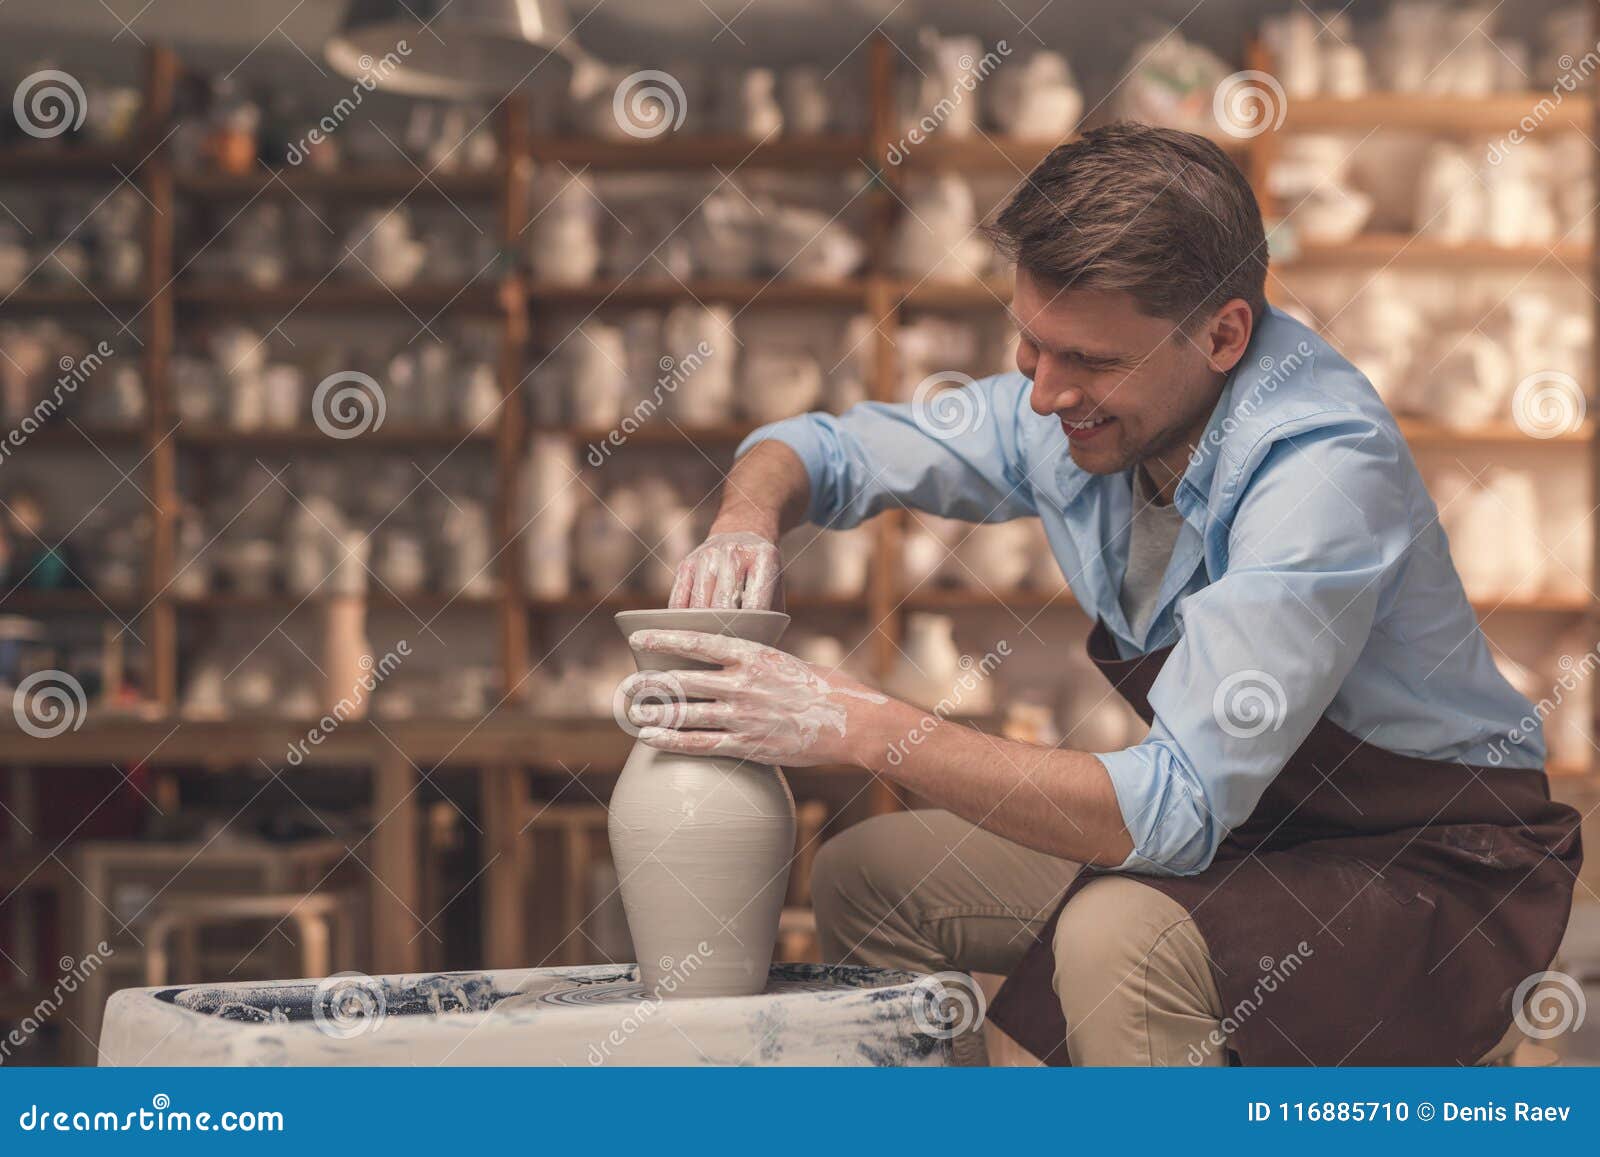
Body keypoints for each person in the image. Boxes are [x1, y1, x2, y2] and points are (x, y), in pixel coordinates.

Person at [619, 123, 1582, 1066]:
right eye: (1031, 347)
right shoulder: (1072, 408)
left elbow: (1172, 807)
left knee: (1116, 935)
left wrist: (860, 725)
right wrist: (745, 515)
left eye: (1089, 360)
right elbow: (824, 450)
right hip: (1253, 827)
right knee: (869, 875)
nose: (1042, 393)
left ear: (1223, 333)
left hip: (1427, 854)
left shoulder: (1320, 472)